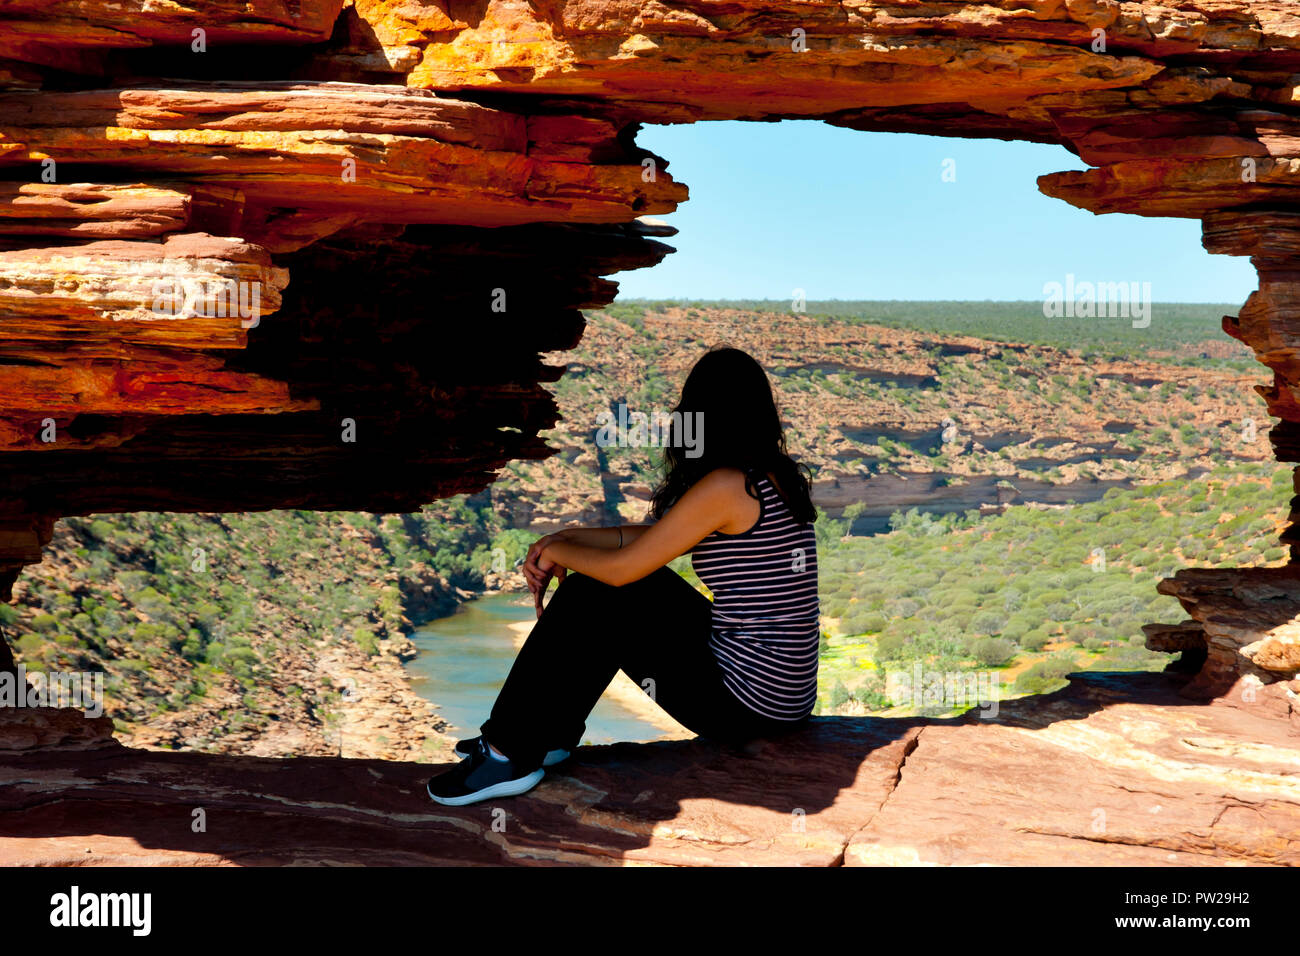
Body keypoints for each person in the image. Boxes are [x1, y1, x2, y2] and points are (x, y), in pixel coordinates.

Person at [426, 346, 821, 806]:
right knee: (629, 588)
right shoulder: (770, 477)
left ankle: (506, 754)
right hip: (784, 696)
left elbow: (622, 570)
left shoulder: (727, 485)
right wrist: (565, 537)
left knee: (599, 591)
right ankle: (548, 740)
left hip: (748, 703)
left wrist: (561, 551)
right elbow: (656, 537)